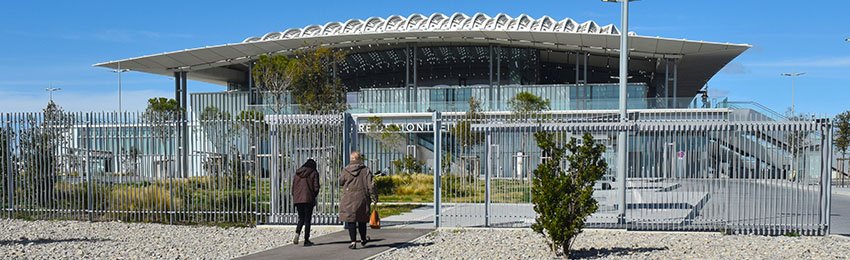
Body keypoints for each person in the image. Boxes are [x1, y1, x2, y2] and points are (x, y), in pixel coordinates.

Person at [339, 151, 377, 249]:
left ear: (351, 159)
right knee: (362, 219)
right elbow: (371, 185)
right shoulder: (365, 170)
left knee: (351, 219)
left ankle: (353, 241)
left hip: (348, 198)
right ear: (359, 159)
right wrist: (374, 196)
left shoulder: (346, 170)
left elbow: (341, 182)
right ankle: (363, 239)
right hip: (362, 197)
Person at [292, 158, 320, 246]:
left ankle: (297, 233)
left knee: (301, 218)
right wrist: (313, 195)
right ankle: (306, 240)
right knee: (307, 220)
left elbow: (293, 188)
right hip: (308, 199)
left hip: (298, 199)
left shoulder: (297, 173)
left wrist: (295, 196)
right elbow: (316, 187)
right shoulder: (314, 172)